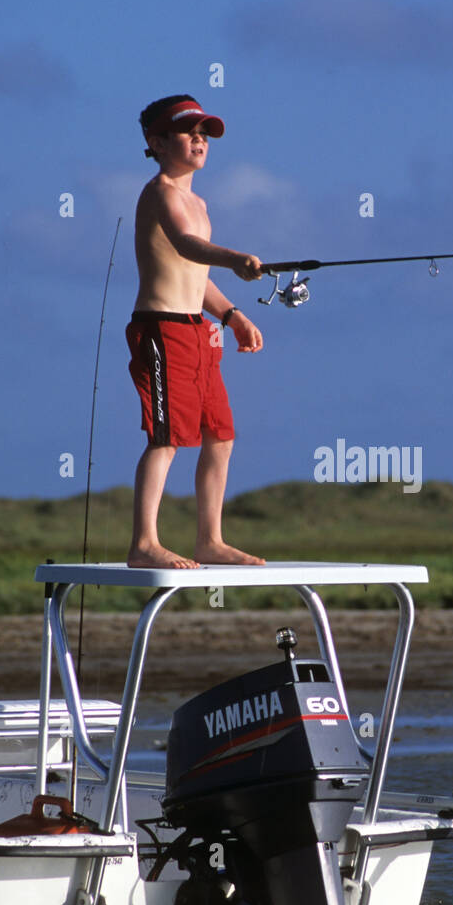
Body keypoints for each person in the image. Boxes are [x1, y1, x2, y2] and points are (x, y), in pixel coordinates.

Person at [126, 94, 265, 569]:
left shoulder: (198, 201)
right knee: (165, 438)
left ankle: (210, 540)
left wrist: (232, 315)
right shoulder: (161, 192)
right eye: (189, 132)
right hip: (162, 330)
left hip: (199, 330)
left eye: (204, 133)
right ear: (157, 143)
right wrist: (236, 258)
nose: (200, 140)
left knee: (220, 435)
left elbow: (196, 275)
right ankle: (144, 543)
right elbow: (189, 247)